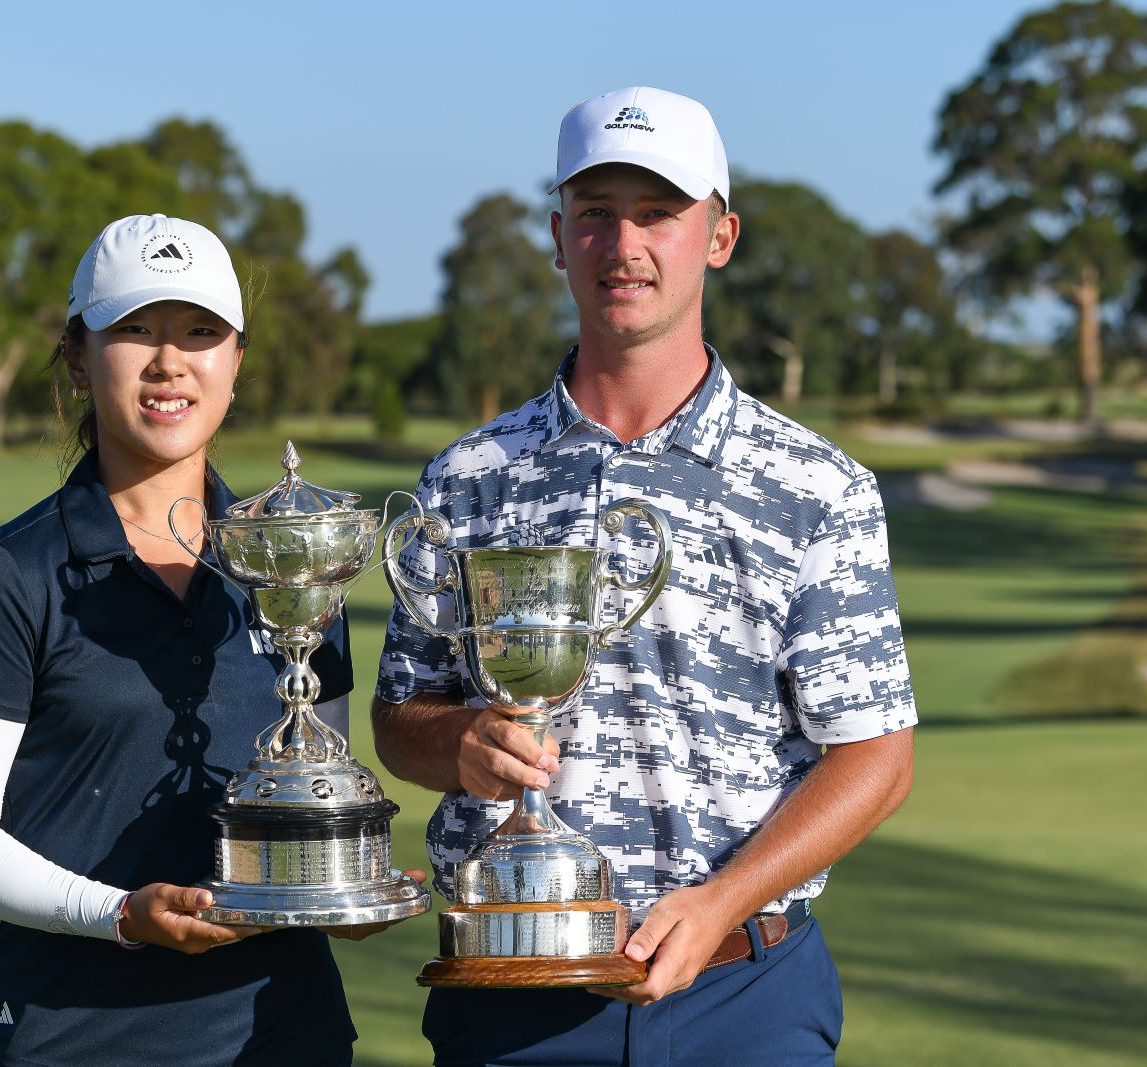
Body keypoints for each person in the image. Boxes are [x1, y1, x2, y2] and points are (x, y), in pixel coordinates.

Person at [371, 87, 918, 1065]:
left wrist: (720, 903)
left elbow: (874, 757)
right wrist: (460, 743)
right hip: (510, 992)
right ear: (557, 237)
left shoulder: (816, 485)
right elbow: (398, 721)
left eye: (657, 213)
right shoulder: (464, 480)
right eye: (595, 214)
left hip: (742, 991)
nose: (623, 243)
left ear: (718, 235)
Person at [0, 214, 395, 1067]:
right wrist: (119, 912)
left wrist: (336, 890)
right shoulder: (8, 576)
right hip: (82, 1035)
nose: (171, 362)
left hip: (286, 1034)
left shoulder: (295, 565)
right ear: (77, 354)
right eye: (135, 330)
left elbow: (314, 803)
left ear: (236, 361)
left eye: (200, 333)